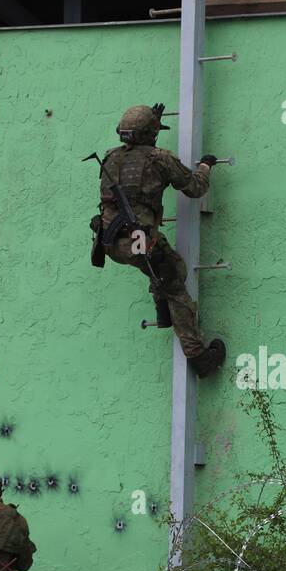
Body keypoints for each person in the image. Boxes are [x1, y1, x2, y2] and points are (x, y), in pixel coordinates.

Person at [94, 103, 226, 377]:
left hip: (110, 242)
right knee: (176, 286)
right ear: (150, 133)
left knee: (170, 268)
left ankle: (162, 311)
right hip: (142, 243)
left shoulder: (109, 158)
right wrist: (205, 166)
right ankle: (200, 358)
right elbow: (194, 188)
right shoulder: (159, 159)